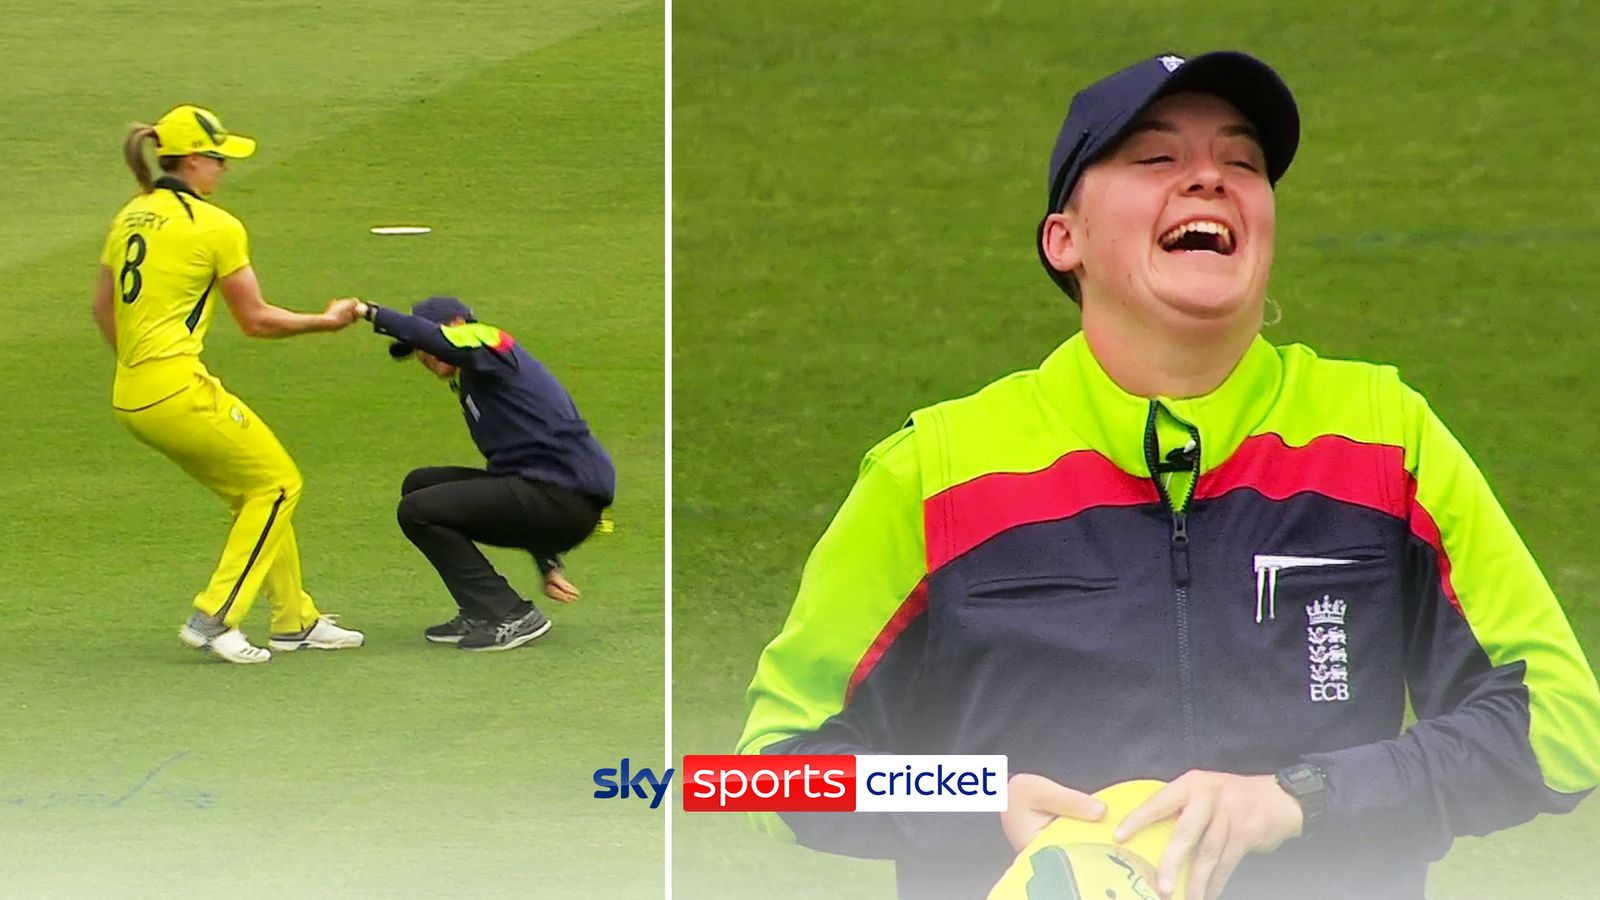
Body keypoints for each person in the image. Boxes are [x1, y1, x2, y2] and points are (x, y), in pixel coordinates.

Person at [737, 52, 1600, 900]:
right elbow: (759, 776)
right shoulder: (937, 473)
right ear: (1063, 238)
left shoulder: (1384, 438)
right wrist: (974, 799)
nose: (1210, 180)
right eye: (1157, 159)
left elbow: (1563, 728)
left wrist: (1303, 798)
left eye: (1243, 162)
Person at [92, 104, 366, 664]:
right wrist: (327, 321)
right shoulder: (215, 226)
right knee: (280, 486)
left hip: (132, 394)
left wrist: (144, 368)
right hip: (177, 391)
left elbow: (103, 309)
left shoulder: (131, 215)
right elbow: (256, 320)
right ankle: (215, 616)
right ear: (192, 159)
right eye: (218, 158)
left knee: (256, 490)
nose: (224, 169)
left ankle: (295, 620)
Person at [351, 296, 615, 651]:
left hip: (566, 498)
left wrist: (370, 313)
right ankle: (480, 610)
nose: (422, 357)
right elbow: (512, 483)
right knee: (420, 485)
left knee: (417, 512)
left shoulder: (491, 342)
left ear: (459, 325)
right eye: (415, 351)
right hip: (547, 495)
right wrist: (547, 561)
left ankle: (510, 613)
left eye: (424, 347)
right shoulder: (479, 383)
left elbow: (531, 485)